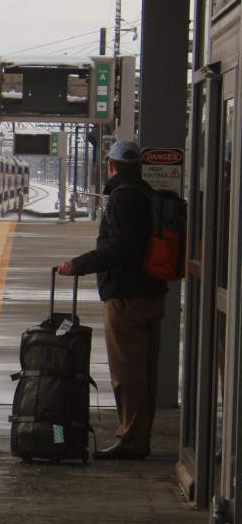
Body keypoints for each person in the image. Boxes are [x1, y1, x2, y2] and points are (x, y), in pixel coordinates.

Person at [56, 139, 167, 461]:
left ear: (111, 165)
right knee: (146, 372)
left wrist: (78, 265)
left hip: (126, 299)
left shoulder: (121, 198)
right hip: (153, 295)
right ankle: (139, 436)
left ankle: (132, 441)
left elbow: (120, 249)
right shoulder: (149, 195)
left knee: (127, 374)